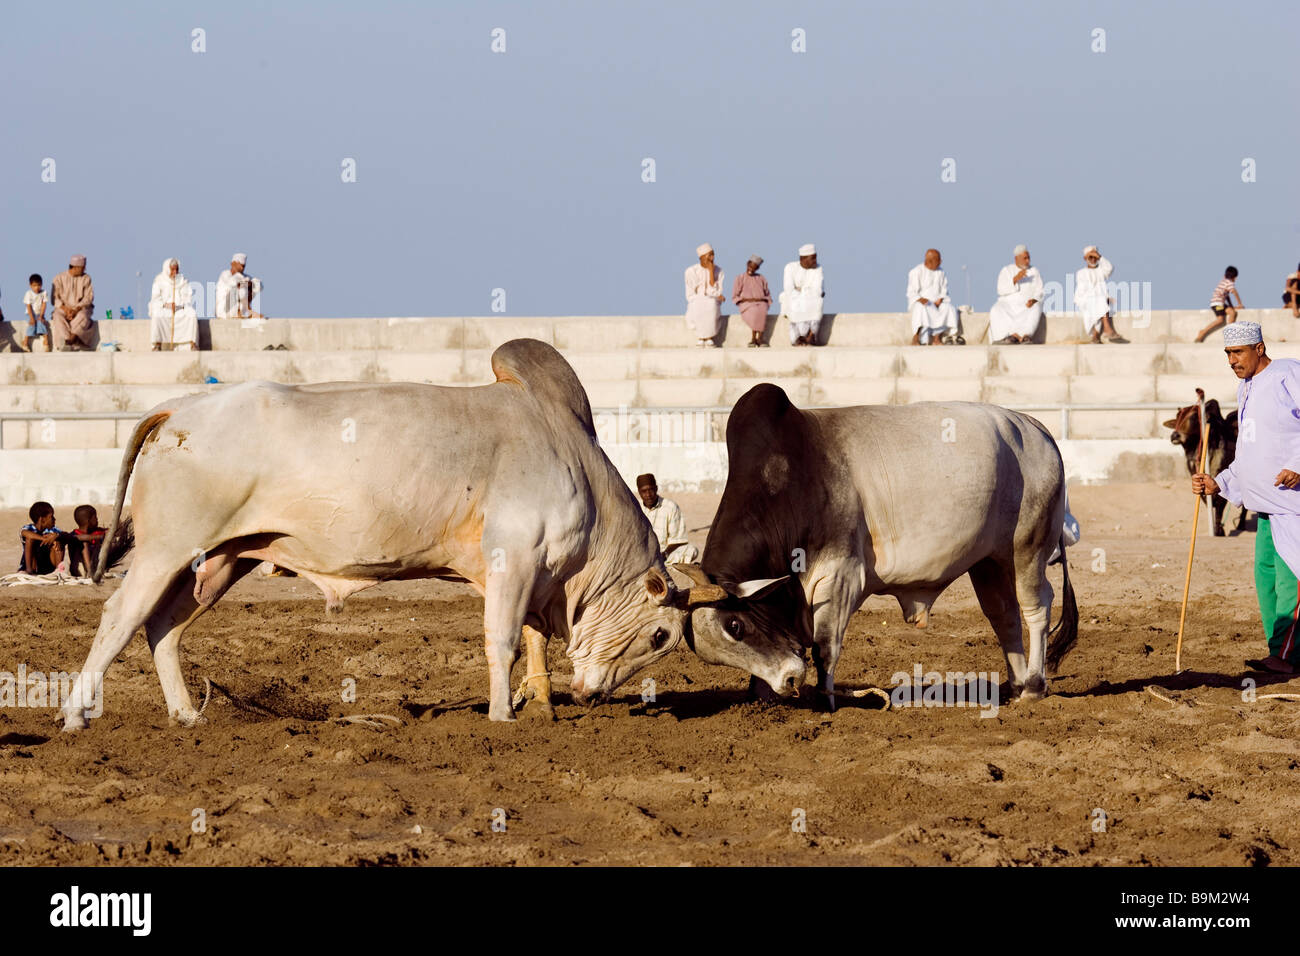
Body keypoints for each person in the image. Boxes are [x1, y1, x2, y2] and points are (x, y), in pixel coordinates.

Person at [1192, 322, 1300, 674]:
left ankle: (1287, 657)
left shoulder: (1288, 373)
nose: (1232, 361)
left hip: (1292, 503)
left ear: (1259, 348)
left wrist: (1298, 463)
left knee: (1292, 582)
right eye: (1227, 353)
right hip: (1266, 506)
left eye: (1237, 352)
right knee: (1266, 577)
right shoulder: (1246, 389)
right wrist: (1219, 483)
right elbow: (1249, 454)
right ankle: (1278, 650)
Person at [636, 473, 698, 564]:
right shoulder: (635, 507)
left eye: (651, 490)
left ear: (656, 488)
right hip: (640, 553)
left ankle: (660, 564)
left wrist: (664, 555)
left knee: (691, 550)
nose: (648, 494)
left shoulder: (671, 507)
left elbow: (678, 540)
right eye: (644, 491)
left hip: (663, 554)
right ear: (639, 492)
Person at [988, 244, 1043, 344]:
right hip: (1008, 304)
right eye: (1025, 258)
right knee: (995, 310)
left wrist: (1033, 300)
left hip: (1026, 305)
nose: (1028, 261)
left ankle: (1025, 336)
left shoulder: (1034, 271)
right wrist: (1015, 279)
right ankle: (1004, 338)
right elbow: (1000, 290)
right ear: (1016, 259)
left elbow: (1040, 292)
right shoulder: (1007, 270)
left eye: (1028, 258)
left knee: (1037, 307)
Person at [1074, 246, 1128, 344]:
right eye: (1091, 257)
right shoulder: (1081, 273)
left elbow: (1110, 268)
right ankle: (1107, 329)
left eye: (1095, 257)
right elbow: (1084, 290)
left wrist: (1100, 257)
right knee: (1100, 301)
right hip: (1084, 299)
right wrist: (1102, 297)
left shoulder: (1100, 271)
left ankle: (1095, 337)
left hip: (1099, 300)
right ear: (1085, 258)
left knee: (1100, 302)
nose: (1093, 259)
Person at [907, 249, 960, 346]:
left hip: (938, 302)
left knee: (949, 309)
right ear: (930, 261)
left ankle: (937, 338)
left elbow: (944, 289)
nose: (940, 262)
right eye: (938, 260)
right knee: (921, 308)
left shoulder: (941, 271)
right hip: (923, 302)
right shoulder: (916, 271)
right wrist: (921, 299)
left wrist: (941, 299)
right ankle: (916, 337)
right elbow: (912, 292)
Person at [148, 258, 199, 351]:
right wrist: (167, 305)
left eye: (177, 269)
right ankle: (157, 344)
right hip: (164, 308)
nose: (175, 272)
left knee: (191, 313)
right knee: (157, 314)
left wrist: (179, 306)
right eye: (172, 269)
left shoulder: (182, 280)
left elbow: (187, 298)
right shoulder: (159, 280)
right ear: (167, 269)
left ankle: (192, 344)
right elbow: (155, 300)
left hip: (179, 309)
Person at [781, 243, 825, 346]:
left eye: (815, 258)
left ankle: (811, 336)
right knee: (797, 304)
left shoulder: (818, 268)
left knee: (817, 302)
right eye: (812, 258)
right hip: (794, 299)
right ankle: (799, 337)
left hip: (812, 299)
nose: (815, 261)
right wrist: (807, 291)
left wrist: (802, 290)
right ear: (803, 259)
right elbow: (789, 289)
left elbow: (818, 290)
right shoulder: (790, 267)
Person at [51, 255, 95, 351]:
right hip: (63, 308)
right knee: (57, 316)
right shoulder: (59, 278)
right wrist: (66, 309)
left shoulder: (86, 278)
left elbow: (88, 298)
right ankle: (66, 341)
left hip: (80, 308)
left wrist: (76, 309)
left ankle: (72, 339)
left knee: (83, 316)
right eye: (83, 267)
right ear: (76, 267)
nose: (85, 269)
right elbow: (54, 298)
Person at [684, 243, 724, 347]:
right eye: (709, 255)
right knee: (698, 305)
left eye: (713, 255)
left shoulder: (719, 271)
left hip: (712, 299)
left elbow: (717, 292)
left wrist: (711, 272)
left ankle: (709, 337)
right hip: (696, 299)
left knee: (711, 304)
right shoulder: (691, 271)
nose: (712, 258)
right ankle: (701, 337)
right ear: (702, 257)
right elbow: (691, 293)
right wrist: (701, 297)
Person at [1195, 266, 1243, 343]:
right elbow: (1234, 292)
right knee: (1220, 319)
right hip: (1218, 304)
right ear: (1235, 277)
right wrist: (1240, 304)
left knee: (1232, 312)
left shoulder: (1223, 281)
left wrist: (1231, 306)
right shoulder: (1229, 282)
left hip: (1220, 303)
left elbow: (1227, 296)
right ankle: (1202, 332)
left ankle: (1230, 332)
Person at [732, 255, 771, 348]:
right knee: (754, 311)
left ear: (757, 268)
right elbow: (735, 296)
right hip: (746, 304)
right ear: (747, 264)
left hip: (761, 303)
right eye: (750, 266)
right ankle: (754, 338)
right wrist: (749, 299)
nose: (751, 269)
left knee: (762, 309)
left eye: (754, 268)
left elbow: (767, 294)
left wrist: (763, 300)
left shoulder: (761, 278)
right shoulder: (740, 278)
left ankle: (760, 338)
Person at [18, 501, 65, 574]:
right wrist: (45, 539)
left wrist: (56, 536)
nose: (54, 519)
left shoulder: (53, 530)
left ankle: (58, 571)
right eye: (51, 517)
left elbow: (65, 535)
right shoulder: (29, 528)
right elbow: (24, 533)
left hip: (48, 566)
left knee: (59, 540)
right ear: (42, 519)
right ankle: (29, 570)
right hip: (34, 565)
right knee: (30, 539)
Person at [215, 253, 264, 319]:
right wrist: (245, 283)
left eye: (243, 266)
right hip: (224, 312)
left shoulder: (245, 276)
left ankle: (244, 312)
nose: (241, 268)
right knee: (242, 288)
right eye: (240, 266)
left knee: (254, 285)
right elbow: (234, 282)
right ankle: (246, 311)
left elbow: (260, 286)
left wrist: (251, 284)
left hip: (238, 312)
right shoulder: (225, 274)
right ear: (233, 264)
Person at [65, 505, 106, 577]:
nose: (97, 519)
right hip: (79, 567)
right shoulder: (74, 534)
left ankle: (96, 569)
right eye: (95, 517)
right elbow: (79, 538)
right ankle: (90, 571)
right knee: (84, 543)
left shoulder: (97, 531)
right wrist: (100, 537)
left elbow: (111, 532)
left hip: (95, 564)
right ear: (89, 521)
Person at [22, 273, 50, 353]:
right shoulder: (28, 293)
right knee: (32, 324)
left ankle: (46, 341)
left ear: (41, 284)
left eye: (39, 285)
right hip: (30, 313)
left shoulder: (44, 292)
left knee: (41, 322)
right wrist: (31, 318)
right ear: (30, 285)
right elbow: (28, 306)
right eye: (34, 285)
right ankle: (25, 342)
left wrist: (41, 315)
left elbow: (44, 305)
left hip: (39, 313)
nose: (37, 287)